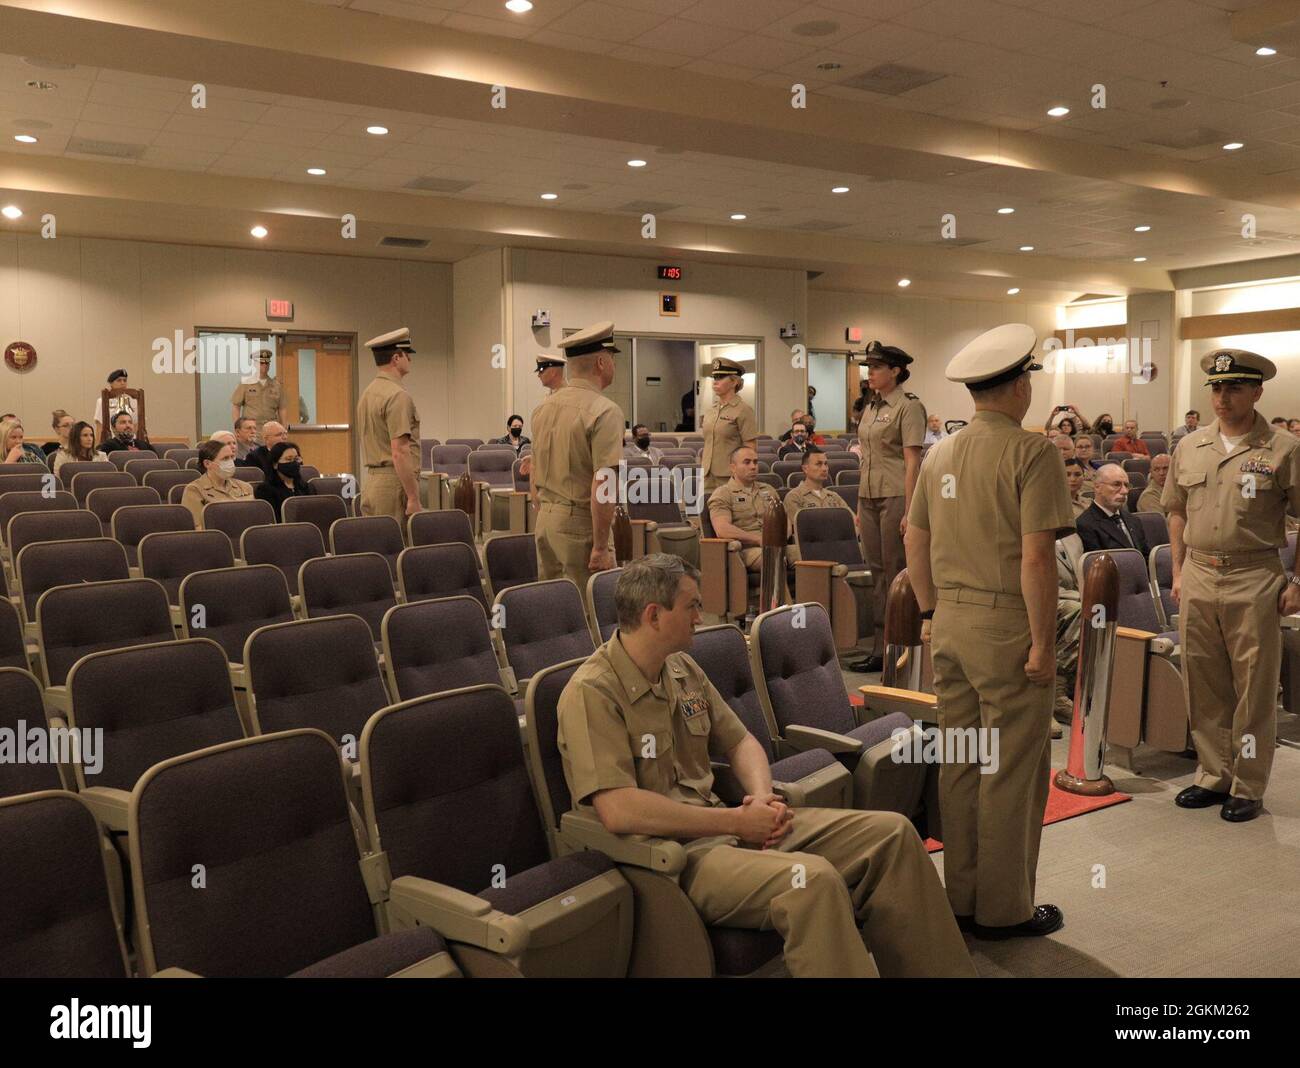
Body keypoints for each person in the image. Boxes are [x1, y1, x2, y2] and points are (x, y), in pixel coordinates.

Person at [557, 554, 975, 978]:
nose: (701, 617)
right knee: (811, 882)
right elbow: (618, 808)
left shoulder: (680, 668)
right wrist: (737, 823)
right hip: (673, 859)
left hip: (729, 824)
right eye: (692, 607)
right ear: (653, 615)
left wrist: (759, 797)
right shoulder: (592, 692)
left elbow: (740, 741)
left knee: (892, 835)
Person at [905, 322, 1074, 939]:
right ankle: (1005, 910)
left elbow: (913, 540)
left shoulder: (939, 452)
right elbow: (1036, 560)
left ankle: (962, 898)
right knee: (1008, 769)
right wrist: (1041, 642)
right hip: (1006, 624)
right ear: (1019, 386)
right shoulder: (1033, 452)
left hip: (949, 620)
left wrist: (928, 613)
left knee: (961, 758)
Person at [1163, 348, 1300, 823]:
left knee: (1254, 687)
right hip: (1200, 572)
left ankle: (1248, 782)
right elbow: (1176, 509)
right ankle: (1212, 774)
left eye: (1234, 387)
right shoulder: (1190, 445)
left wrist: (1296, 580)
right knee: (1203, 681)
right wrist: (1178, 571)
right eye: (1217, 388)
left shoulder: (1282, 447)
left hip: (1255, 575)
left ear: (1257, 391)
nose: (1223, 397)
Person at [530, 320, 623, 589]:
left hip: (546, 521)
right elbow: (603, 483)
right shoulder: (605, 410)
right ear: (602, 363)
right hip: (579, 526)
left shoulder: (543, 408)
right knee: (591, 615)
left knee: (553, 613)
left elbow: (535, 469)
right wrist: (601, 546)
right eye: (612, 359)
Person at [857, 340, 926, 673]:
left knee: (896, 571)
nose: (870, 373)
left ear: (895, 371)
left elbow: (913, 461)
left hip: (896, 494)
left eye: (876, 367)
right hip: (868, 496)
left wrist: (912, 510)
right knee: (877, 574)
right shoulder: (870, 405)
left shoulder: (908, 406)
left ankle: (899, 648)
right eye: (868, 367)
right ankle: (878, 646)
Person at [357, 328, 421, 524]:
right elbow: (400, 451)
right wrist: (413, 497)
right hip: (394, 484)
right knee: (397, 549)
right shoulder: (397, 395)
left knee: (378, 549)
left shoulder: (368, 393)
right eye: (407, 355)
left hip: (373, 483)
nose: (410, 359)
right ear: (396, 358)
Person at [708, 446, 781, 572]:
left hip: (776, 545)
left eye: (755, 462)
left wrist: (780, 537)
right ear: (733, 468)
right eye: (747, 462)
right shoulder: (723, 493)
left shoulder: (768, 489)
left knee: (812, 554)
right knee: (775, 559)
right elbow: (722, 529)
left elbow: (785, 520)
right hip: (746, 550)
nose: (753, 467)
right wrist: (758, 539)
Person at [783, 444, 856, 562]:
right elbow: (805, 530)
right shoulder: (794, 497)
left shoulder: (833, 496)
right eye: (819, 464)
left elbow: (853, 523)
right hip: (811, 547)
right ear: (805, 468)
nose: (824, 468)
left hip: (839, 544)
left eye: (826, 464)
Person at [700, 358, 757, 493]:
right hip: (707, 474)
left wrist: (744, 472)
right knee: (707, 512)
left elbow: (750, 446)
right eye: (714, 377)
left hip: (730, 476)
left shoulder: (743, 410)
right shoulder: (711, 410)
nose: (715, 381)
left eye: (720, 377)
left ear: (734, 382)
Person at [1075, 464, 1150, 557]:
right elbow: (1100, 567)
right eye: (1116, 484)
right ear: (1097, 487)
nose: (1124, 491)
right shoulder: (1085, 525)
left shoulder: (1133, 520)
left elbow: (1146, 558)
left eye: (1126, 485)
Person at [180, 439, 254, 528]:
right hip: (215, 538)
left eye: (232, 457)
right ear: (207, 463)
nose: (230, 462)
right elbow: (197, 527)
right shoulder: (194, 490)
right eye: (225, 458)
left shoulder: (245, 487)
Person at [230, 349, 284, 437]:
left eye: (267, 363)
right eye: (261, 363)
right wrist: (238, 428)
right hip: (251, 429)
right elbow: (236, 406)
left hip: (271, 430)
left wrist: (283, 429)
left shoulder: (276, 385)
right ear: (255, 364)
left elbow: (282, 409)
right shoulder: (246, 383)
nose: (265, 366)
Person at [254, 441, 313, 520]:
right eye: (288, 459)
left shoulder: (307, 487)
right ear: (275, 464)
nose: (294, 463)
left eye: (296, 459)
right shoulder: (265, 490)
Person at [93, 369, 137, 443]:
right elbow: (99, 425)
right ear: (111, 384)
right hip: (111, 441)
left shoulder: (133, 401)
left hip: (131, 440)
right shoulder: (103, 401)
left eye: (125, 380)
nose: (122, 383)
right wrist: (98, 446)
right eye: (119, 380)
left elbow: (136, 424)